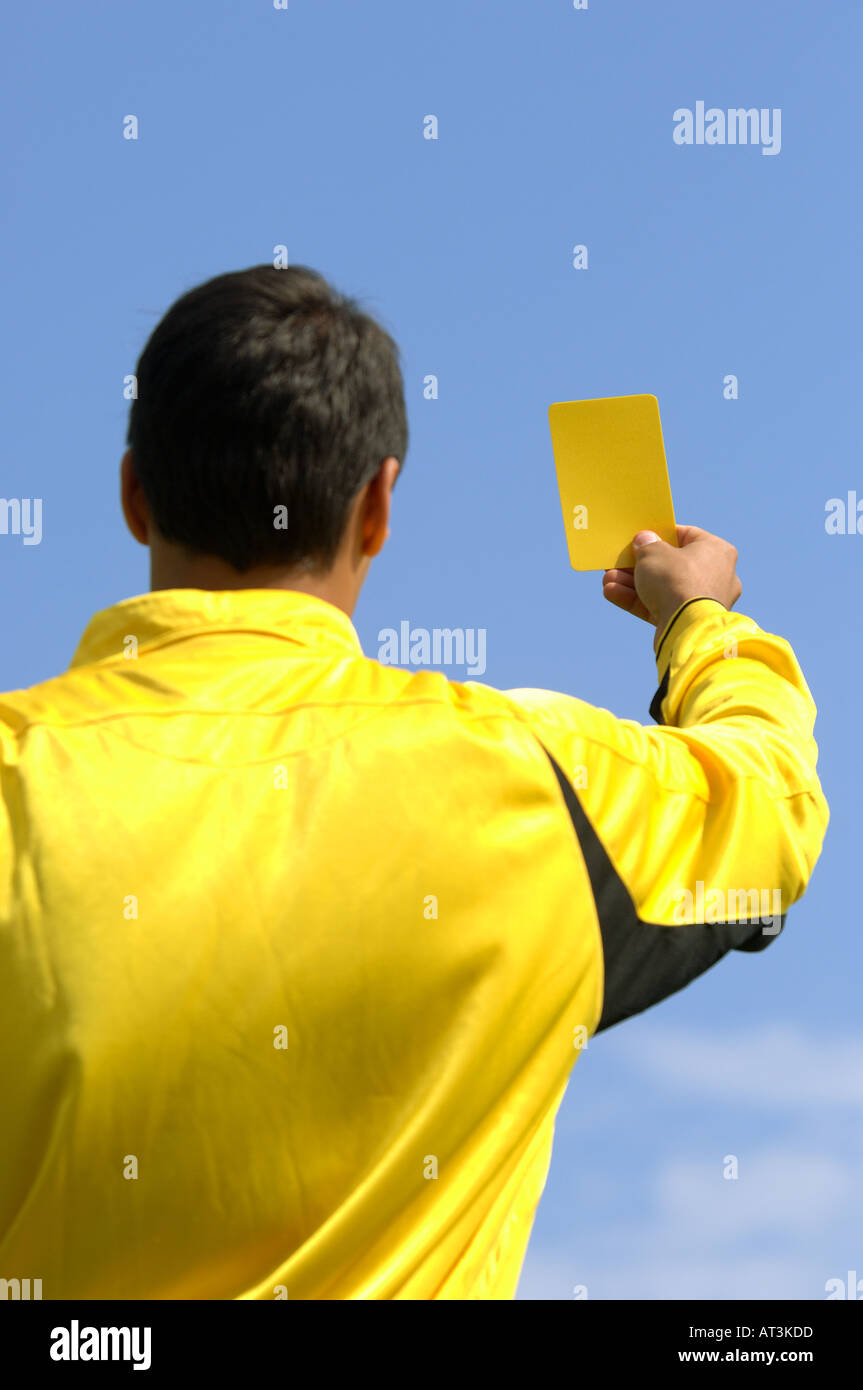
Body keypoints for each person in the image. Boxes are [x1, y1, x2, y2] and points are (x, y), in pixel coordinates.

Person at [0, 265, 828, 1301]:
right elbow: (768, 799)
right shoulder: (532, 783)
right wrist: (697, 624)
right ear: (378, 505)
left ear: (133, 494)